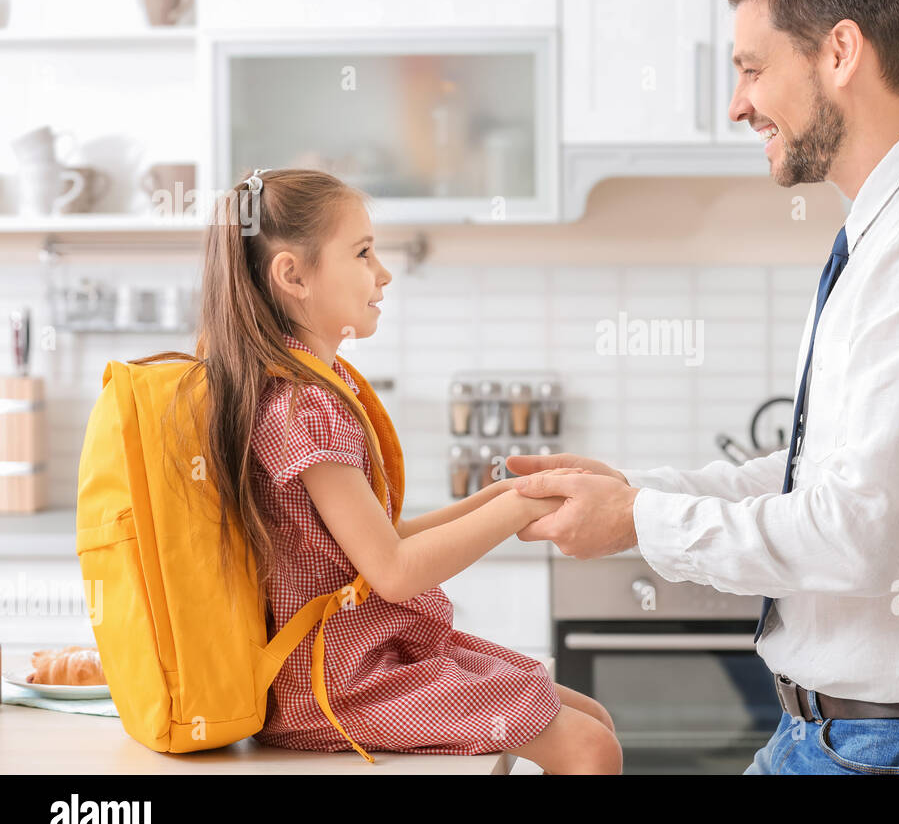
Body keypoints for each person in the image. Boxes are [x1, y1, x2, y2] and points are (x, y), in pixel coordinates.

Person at [507, 0, 899, 775]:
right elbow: (831, 475)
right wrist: (637, 492)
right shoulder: (898, 222)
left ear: (840, 50)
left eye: (751, 66)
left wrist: (637, 520)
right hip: (853, 737)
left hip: (896, 746)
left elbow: (861, 535)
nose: (738, 104)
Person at [140, 168, 621, 774]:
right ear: (292, 275)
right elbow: (394, 573)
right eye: (363, 252)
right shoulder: (300, 405)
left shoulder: (312, 387)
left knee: (594, 723)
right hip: (334, 683)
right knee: (589, 746)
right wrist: (522, 508)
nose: (383, 273)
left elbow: (380, 546)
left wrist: (517, 490)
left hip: (363, 660)